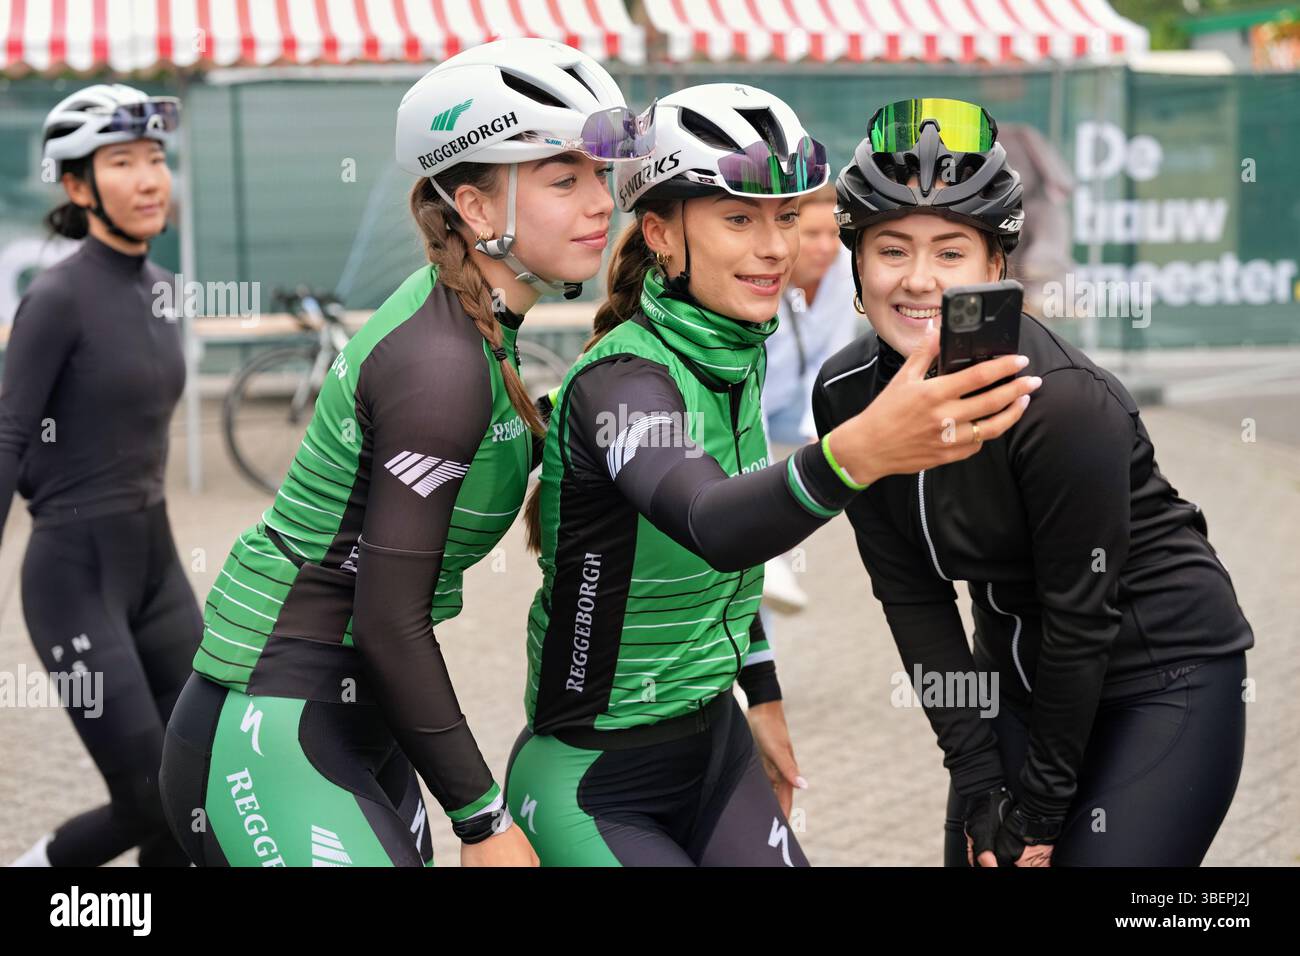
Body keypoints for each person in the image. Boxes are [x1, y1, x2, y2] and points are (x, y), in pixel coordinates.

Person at [505, 85, 1040, 866]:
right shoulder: (622, 383)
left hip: (714, 748)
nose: (774, 247)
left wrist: (762, 697)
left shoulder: (733, 348)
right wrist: (862, 450)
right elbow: (712, 524)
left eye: (786, 217)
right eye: (738, 219)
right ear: (660, 233)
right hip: (592, 779)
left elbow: (735, 555)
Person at [156, 38, 655, 867]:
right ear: (477, 209)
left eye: (599, 175)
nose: (601, 202)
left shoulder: (478, 327)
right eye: (563, 180)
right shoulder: (439, 364)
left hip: (351, 716)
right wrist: (483, 821)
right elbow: (389, 621)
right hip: (272, 724)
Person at [812, 97, 1254, 866]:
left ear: (996, 267)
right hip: (1015, 682)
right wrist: (979, 782)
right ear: (857, 260)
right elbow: (913, 599)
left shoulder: (1061, 402)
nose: (918, 279)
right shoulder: (844, 396)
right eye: (891, 249)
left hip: (1158, 674)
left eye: (951, 251)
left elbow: (1081, 619)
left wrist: (1041, 815)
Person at [4, 84, 199, 867]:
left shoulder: (164, 291)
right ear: (78, 187)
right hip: (73, 577)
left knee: (196, 785)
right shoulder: (57, 298)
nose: (149, 179)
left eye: (155, 158)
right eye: (122, 162)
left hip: (157, 566)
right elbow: (11, 432)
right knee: (147, 796)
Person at [758, 179, 859, 616]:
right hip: (755, 399)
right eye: (812, 234)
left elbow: (833, 355)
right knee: (753, 462)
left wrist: (822, 426)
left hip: (798, 399)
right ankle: (769, 556)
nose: (825, 246)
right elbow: (752, 387)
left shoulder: (844, 270)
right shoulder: (762, 276)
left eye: (833, 234)